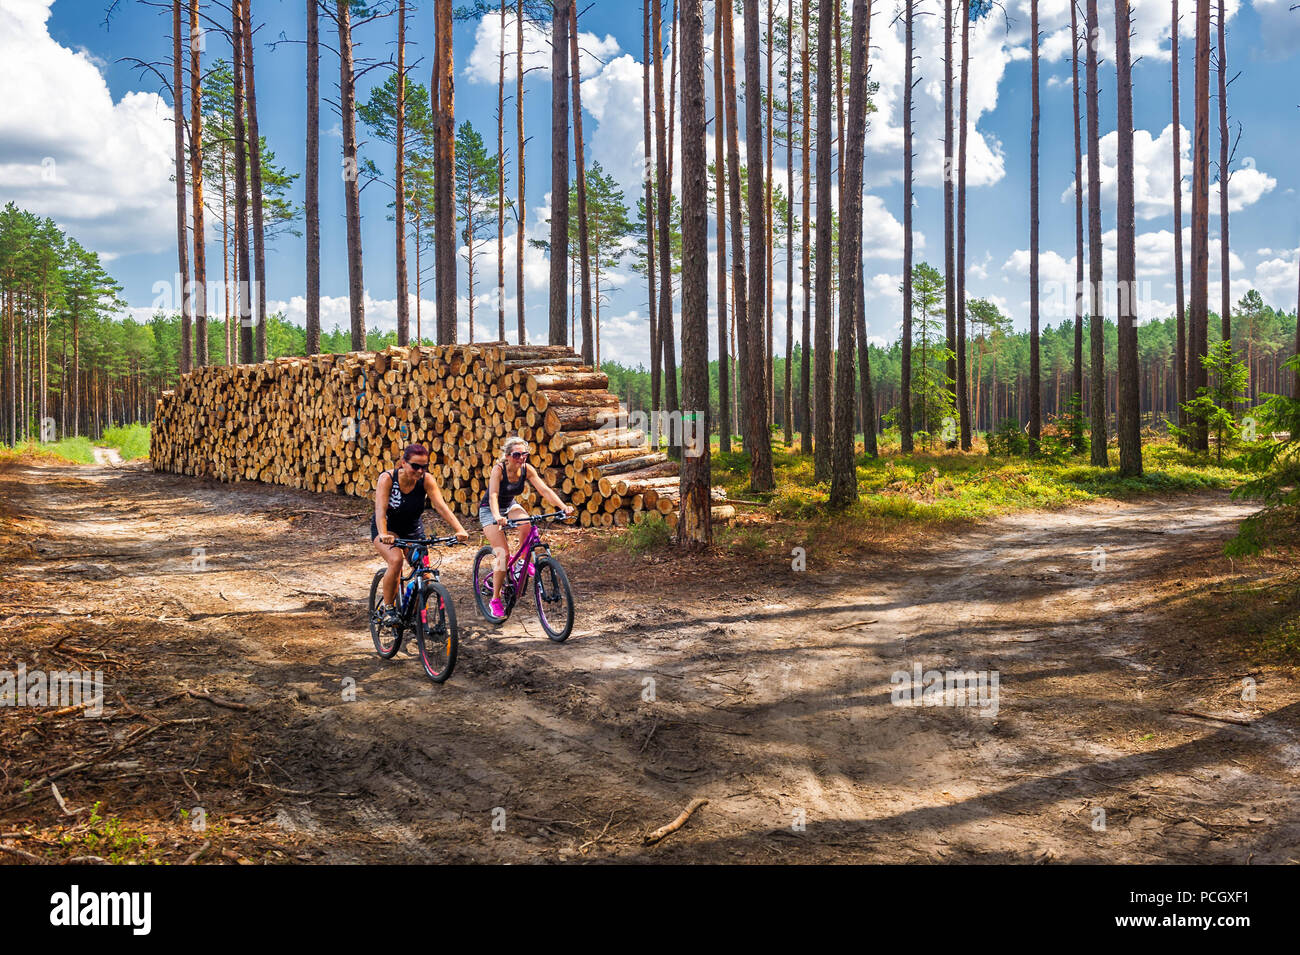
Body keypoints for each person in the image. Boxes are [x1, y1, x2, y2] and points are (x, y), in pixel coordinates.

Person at [479, 435, 574, 619]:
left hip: (510, 506)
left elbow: (544, 490)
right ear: (507, 456)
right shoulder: (498, 470)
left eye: (525, 454)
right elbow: (493, 496)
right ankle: (495, 599)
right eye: (516, 454)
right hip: (490, 511)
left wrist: (563, 507)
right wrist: (498, 516)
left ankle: (522, 561)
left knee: (527, 524)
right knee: (502, 554)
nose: (521, 457)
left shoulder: (526, 469)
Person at [373, 444, 468, 625]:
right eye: (415, 466)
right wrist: (384, 534)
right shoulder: (388, 479)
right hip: (387, 529)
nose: (419, 471)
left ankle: (414, 616)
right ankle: (388, 608)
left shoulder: (426, 480)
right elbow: (380, 510)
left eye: (424, 467)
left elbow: (441, 506)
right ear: (403, 463)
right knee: (396, 560)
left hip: (412, 531)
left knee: (425, 575)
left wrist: (459, 529)